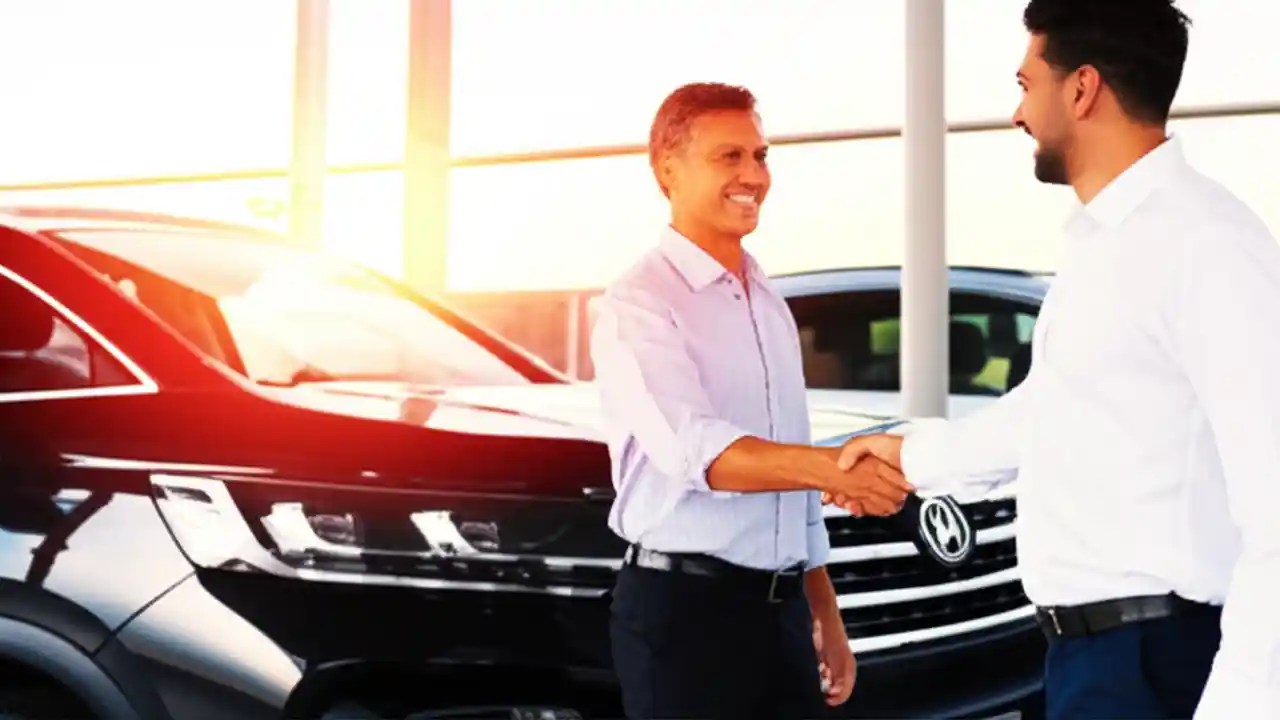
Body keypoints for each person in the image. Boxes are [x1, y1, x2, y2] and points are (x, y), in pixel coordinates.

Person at [832, 1, 1280, 718]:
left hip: (1159, 665)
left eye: (1024, 83)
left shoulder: (1207, 243)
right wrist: (907, 459)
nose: (1017, 113)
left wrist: (1242, 702)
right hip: (1089, 660)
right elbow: (1052, 413)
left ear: (1082, 89)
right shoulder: (1105, 245)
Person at [589, 82, 913, 719]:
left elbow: (787, 475)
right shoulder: (638, 304)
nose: (753, 176)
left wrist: (824, 609)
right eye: (729, 157)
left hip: (781, 616)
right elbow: (693, 451)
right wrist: (834, 466)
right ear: (668, 169)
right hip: (683, 618)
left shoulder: (765, 297)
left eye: (761, 156)